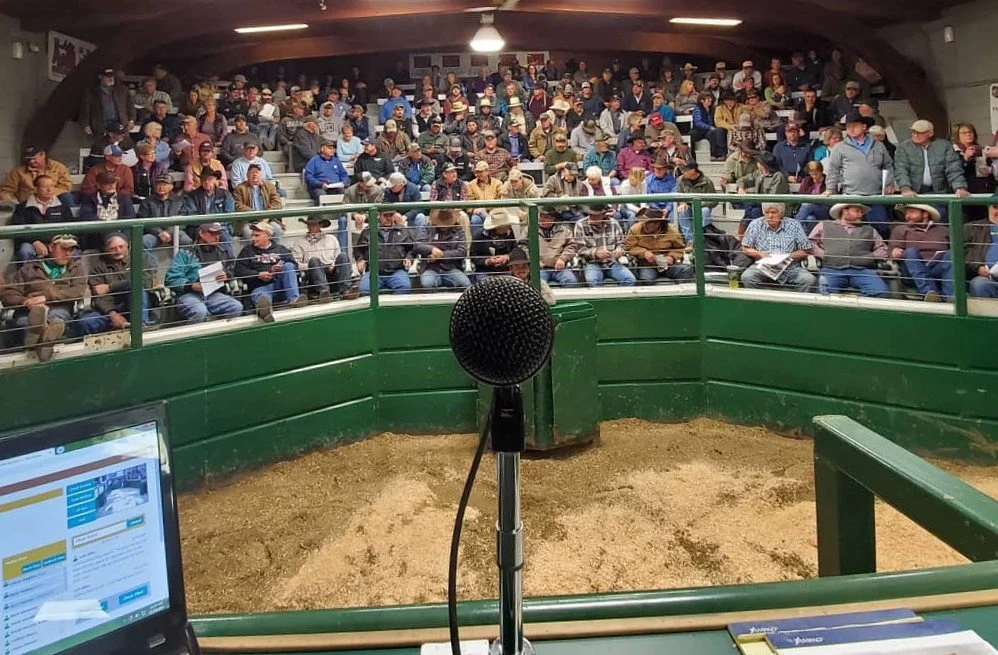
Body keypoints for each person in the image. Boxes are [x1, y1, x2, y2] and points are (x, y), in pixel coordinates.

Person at [1, 234, 84, 361]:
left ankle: (39, 337)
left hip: (59, 307)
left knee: (57, 319)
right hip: (28, 311)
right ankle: (45, 342)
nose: (68, 254)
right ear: (51, 247)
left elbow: (78, 291)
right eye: (64, 249)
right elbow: (8, 293)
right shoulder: (30, 267)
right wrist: (26, 301)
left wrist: (46, 297)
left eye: (71, 250)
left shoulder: (76, 268)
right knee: (25, 321)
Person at [822, 110, 895, 237]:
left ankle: (880, 255)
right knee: (852, 230)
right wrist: (830, 189)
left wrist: (889, 183)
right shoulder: (839, 147)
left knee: (881, 228)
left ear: (864, 126)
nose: (851, 129)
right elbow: (833, 170)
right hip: (851, 197)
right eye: (848, 126)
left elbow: (888, 165)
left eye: (854, 125)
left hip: (875, 196)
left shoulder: (878, 146)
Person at [164, 222, 244, 324]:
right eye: (213, 234)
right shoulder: (185, 253)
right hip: (189, 294)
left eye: (219, 234)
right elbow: (171, 278)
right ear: (201, 233)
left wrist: (227, 275)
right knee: (199, 311)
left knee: (236, 306)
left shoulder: (223, 251)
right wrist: (191, 286)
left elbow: (233, 269)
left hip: (213, 293)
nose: (217, 237)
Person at [808, 203, 890, 297]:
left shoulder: (869, 229)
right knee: (822, 293)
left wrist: (869, 257)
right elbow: (810, 242)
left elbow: (883, 249)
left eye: (862, 212)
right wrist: (823, 254)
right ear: (845, 211)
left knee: (882, 292)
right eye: (857, 211)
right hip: (832, 269)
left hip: (862, 270)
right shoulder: (824, 225)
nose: (861, 214)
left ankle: (857, 307)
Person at [78, 235, 153, 334]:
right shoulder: (98, 265)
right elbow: (98, 295)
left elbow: (143, 280)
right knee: (86, 322)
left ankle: (141, 328)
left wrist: (110, 287)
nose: (118, 251)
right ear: (106, 249)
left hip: (137, 306)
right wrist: (112, 314)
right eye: (113, 249)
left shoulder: (140, 257)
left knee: (137, 287)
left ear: (128, 246)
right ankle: (120, 326)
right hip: (111, 309)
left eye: (121, 247)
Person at [235, 221, 307, 322]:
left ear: (267, 235)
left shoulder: (281, 249)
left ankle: (294, 300)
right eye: (252, 235)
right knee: (261, 297)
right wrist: (258, 275)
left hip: (280, 285)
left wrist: (278, 267)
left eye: (257, 235)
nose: (253, 238)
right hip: (260, 286)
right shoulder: (247, 251)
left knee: (289, 265)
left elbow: (294, 265)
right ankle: (265, 311)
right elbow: (238, 271)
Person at [739, 203, 816, 292]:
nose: (770, 216)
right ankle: (760, 303)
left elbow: (805, 250)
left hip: (789, 268)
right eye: (766, 213)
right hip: (763, 267)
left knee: (809, 280)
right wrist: (760, 254)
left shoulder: (794, 224)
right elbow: (745, 248)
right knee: (747, 277)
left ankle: (797, 304)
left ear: (781, 213)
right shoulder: (755, 224)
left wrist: (787, 256)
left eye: (773, 212)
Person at [889, 204, 952, 301]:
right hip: (912, 271)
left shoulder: (943, 230)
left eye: (912, 212)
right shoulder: (900, 230)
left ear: (925, 214)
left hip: (936, 268)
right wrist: (894, 252)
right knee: (911, 251)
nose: (907, 216)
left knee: (951, 254)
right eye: (906, 213)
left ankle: (951, 297)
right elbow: (891, 253)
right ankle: (929, 293)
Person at [894, 120, 969, 198]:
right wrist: (905, 189)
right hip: (914, 193)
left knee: (940, 210)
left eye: (920, 132)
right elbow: (901, 170)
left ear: (930, 133)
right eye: (913, 132)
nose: (915, 135)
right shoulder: (904, 147)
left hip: (940, 193)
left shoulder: (944, 146)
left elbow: (954, 169)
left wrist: (959, 187)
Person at [9, 175, 74, 262]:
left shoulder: (62, 206)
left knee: (75, 252)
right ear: (36, 189)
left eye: (52, 186)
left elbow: (70, 227)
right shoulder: (23, 207)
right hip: (33, 243)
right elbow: (18, 229)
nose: (49, 189)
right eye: (45, 186)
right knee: (25, 250)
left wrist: (58, 243)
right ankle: (27, 275)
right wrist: (34, 242)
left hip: (58, 242)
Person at [625, 207, 694, 284]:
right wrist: (644, 253)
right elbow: (629, 247)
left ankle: (682, 294)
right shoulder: (635, 229)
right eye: (643, 221)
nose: (644, 224)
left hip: (668, 264)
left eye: (648, 223)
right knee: (646, 279)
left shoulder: (672, 230)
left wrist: (671, 257)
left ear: (658, 223)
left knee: (685, 270)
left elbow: (679, 247)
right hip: (647, 264)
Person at [292, 216, 354, 301]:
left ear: (320, 225)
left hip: (333, 272)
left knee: (343, 256)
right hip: (313, 275)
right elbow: (296, 264)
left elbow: (338, 255)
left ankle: (346, 290)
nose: (311, 226)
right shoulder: (299, 242)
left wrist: (332, 265)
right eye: (309, 224)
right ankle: (324, 293)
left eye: (315, 224)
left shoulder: (331, 238)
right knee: (314, 261)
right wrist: (314, 266)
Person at [573, 204, 635, 287]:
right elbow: (579, 249)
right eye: (590, 214)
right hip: (592, 263)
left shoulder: (614, 223)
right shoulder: (580, 225)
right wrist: (595, 253)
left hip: (612, 262)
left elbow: (622, 243)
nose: (592, 217)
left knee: (630, 279)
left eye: (596, 215)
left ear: (603, 214)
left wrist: (620, 250)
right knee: (592, 280)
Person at [355, 209, 414, 296]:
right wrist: (360, 259)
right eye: (385, 216)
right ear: (379, 216)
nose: (389, 218)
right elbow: (358, 249)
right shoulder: (368, 231)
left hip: (397, 270)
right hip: (373, 271)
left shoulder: (403, 231)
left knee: (404, 287)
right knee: (365, 290)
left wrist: (409, 258)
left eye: (391, 215)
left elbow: (412, 248)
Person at [410, 209, 470, 290]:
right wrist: (432, 249)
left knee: (466, 284)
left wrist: (442, 255)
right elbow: (417, 245)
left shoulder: (459, 230)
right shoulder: (427, 227)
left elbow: (462, 251)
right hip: (430, 267)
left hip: (451, 268)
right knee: (427, 284)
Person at [1, 147, 73, 206]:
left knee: (66, 197)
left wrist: (44, 194)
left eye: (34, 158)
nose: (31, 161)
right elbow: (6, 190)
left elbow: (66, 187)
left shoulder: (58, 167)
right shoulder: (18, 171)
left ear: (43, 155)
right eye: (28, 159)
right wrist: (11, 203)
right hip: (27, 205)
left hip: (54, 202)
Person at [138, 172, 191, 252]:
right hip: (154, 233)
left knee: (187, 241)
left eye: (164, 184)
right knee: (143, 242)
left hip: (175, 232)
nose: (161, 187)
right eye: (159, 184)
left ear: (171, 187)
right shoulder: (147, 202)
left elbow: (183, 221)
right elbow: (143, 221)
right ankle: (152, 264)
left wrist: (169, 232)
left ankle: (183, 264)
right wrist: (160, 232)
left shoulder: (179, 201)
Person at [737, 151, 790, 228]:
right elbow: (742, 179)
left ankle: (744, 231)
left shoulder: (777, 176)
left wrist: (756, 201)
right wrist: (741, 187)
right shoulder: (758, 173)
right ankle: (745, 230)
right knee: (750, 206)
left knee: (754, 209)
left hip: (774, 207)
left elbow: (772, 197)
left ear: (763, 164)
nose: (757, 164)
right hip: (759, 204)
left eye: (758, 162)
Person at [81, 67, 135, 138]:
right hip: (100, 126)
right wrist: (86, 125)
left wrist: (131, 120)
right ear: (100, 77)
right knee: (100, 147)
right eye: (107, 77)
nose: (111, 79)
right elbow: (85, 110)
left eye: (112, 76)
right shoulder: (91, 92)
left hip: (121, 125)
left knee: (123, 147)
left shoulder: (123, 90)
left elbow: (130, 106)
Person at [963, 195, 998, 298]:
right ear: (988, 208)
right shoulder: (972, 228)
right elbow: (965, 250)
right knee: (979, 285)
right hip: (988, 279)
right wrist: (978, 267)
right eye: (995, 207)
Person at [675, 162, 718, 244]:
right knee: (682, 212)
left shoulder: (707, 182)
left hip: (702, 206)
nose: (682, 172)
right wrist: (682, 202)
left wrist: (699, 204)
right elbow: (678, 194)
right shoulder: (680, 180)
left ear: (692, 171)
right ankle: (690, 241)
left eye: (685, 170)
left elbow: (714, 200)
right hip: (688, 206)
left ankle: (703, 240)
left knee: (705, 211)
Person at [535, 206, 578, 287]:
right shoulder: (530, 230)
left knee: (571, 281)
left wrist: (563, 258)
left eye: (546, 217)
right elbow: (523, 247)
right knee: (537, 285)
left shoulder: (565, 231)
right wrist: (533, 261)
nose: (542, 219)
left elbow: (572, 246)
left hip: (559, 268)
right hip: (539, 269)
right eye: (541, 216)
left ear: (553, 219)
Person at [952, 123, 995, 198]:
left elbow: (991, 168)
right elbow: (953, 171)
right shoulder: (953, 152)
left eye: (971, 132)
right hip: (965, 192)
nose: (968, 134)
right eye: (964, 133)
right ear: (957, 136)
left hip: (984, 191)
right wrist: (965, 158)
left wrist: (990, 170)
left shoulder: (980, 149)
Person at [304, 138, 349, 202]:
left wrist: (344, 183)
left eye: (333, 148)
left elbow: (344, 174)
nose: (332, 150)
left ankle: (344, 212)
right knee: (321, 194)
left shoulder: (336, 161)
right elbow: (309, 177)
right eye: (329, 148)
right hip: (320, 187)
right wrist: (320, 184)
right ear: (322, 149)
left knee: (345, 192)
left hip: (336, 186)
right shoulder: (314, 160)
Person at [794, 160, 830, 235]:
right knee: (810, 219)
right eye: (811, 174)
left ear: (821, 171)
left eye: (816, 174)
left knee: (806, 205)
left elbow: (830, 200)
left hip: (823, 210)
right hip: (809, 211)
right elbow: (800, 196)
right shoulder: (807, 180)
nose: (814, 176)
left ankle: (793, 230)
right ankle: (810, 240)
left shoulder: (828, 181)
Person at [691, 92, 724, 161]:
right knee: (692, 135)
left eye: (710, 98)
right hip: (698, 131)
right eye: (708, 99)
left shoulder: (713, 109)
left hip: (708, 131)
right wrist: (709, 127)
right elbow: (698, 122)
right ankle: (692, 157)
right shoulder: (697, 109)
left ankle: (714, 155)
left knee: (714, 133)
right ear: (702, 100)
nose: (710, 100)